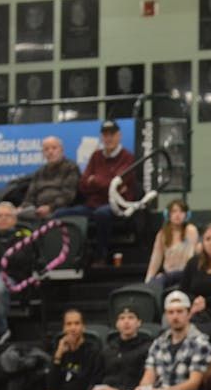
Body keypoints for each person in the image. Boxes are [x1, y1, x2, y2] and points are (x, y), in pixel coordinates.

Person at [112, 291, 211, 390]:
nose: (175, 316)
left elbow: (193, 384)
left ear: (188, 314)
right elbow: (149, 375)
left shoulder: (200, 343)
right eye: (171, 313)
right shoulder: (159, 342)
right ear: (166, 315)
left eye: (179, 311)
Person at [53, 120, 136, 265]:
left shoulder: (127, 157)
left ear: (119, 136)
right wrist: (104, 182)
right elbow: (83, 185)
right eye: (105, 135)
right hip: (92, 204)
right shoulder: (96, 156)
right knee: (59, 214)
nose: (108, 138)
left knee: (102, 214)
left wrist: (95, 180)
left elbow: (115, 186)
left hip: (116, 205)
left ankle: (100, 256)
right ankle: (66, 256)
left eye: (112, 134)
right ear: (101, 137)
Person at [5, 309, 103, 390]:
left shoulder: (93, 353)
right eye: (69, 324)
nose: (73, 328)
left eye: (77, 323)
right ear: (64, 328)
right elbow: (51, 386)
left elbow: (91, 384)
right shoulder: (60, 352)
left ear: (83, 327)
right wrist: (58, 356)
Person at [85, 307, 152, 390]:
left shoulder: (147, 348)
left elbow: (143, 383)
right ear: (117, 324)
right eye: (122, 318)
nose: (126, 322)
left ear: (139, 323)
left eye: (131, 317)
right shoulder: (107, 349)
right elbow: (94, 379)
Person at [19, 136, 78, 220]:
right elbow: (30, 196)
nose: (50, 152)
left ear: (61, 150)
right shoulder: (39, 172)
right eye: (46, 149)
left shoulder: (71, 168)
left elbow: (68, 196)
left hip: (59, 209)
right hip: (37, 209)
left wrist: (50, 207)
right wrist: (23, 207)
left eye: (54, 148)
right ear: (43, 153)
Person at [0, 203, 31, 343]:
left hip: (14, 276)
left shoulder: (24, 234)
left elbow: (22, 259)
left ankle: (1, 331)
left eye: (7, 215)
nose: (3, 219)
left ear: (15, 219)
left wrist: (0, 254)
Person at [146, 199, 199, 289]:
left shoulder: (191, 230)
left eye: (181, 211)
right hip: (169, 275)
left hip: (185, 274)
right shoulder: (162, 234)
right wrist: (148, 280)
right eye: (174, 211)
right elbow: (156, 259)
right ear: (168, 214)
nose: (178, 215)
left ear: (187, 215)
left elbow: (192, 254)